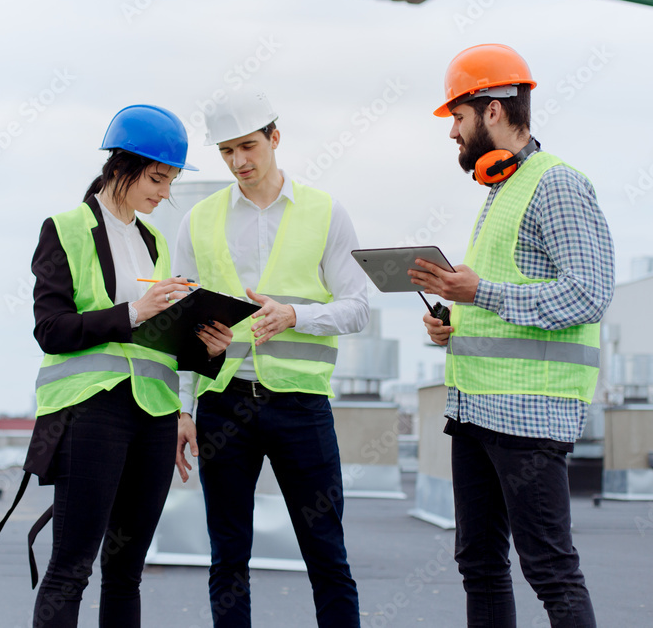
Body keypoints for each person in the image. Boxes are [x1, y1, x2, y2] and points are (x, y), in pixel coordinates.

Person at [409, 44, 614, 628]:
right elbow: (505, 295)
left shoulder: (558, 186)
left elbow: (588, 294)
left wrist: (481, 294)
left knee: (550, 569)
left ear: (493, 109)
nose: (452, 132)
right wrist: (452, 323)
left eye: (457, 116)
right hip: (476, 409)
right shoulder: (501, 192)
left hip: (530, 413)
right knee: (479, 564)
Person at [25, 104, 233, 627]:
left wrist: (207, 348)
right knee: (72, 567)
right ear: (121, 167)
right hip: (91, 412)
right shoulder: (66, 228)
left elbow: (161, 342)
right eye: (158, 178)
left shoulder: (154, 242)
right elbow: (50, 328)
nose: (165, 193)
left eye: (170, 181)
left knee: (127, 572)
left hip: (156, 419)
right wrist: (133, 311)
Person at [173, 88, 369, 627]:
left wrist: (295, 316)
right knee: (227, 557)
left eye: (248, 146)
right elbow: (183, 325)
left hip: (301, 406)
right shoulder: (198, 221)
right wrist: (184, 411)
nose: (239, 161)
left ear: (275, 138)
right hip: (222, 405)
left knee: (327, 554)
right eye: (227, 151)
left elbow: (358, 308)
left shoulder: (326, 212)